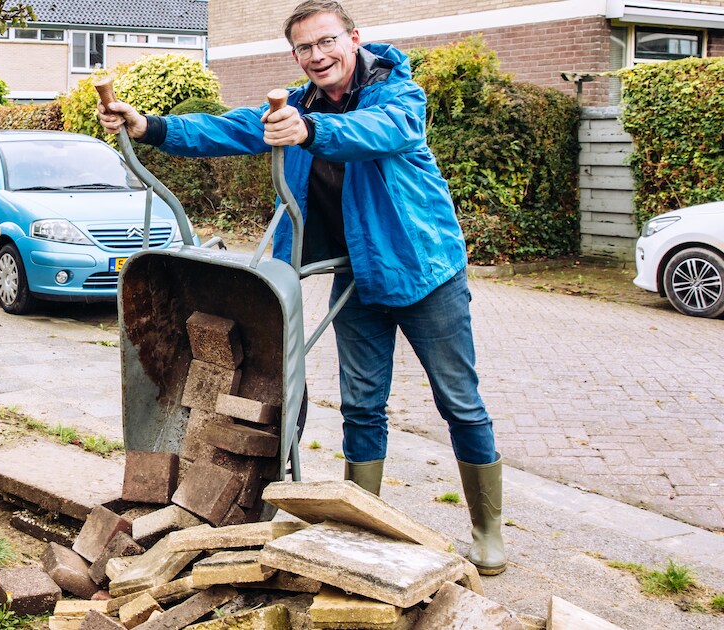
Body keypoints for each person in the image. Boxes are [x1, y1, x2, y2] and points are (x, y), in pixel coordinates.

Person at [98, 0, 506, 576]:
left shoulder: (397, 95)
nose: (317, 55)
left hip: (424, 272)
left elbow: (381, 131)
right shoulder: (298, 104)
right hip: (356, 274)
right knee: (363, 407)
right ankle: (359, 524)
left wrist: (310, 130)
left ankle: (488, 533)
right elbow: (235, 126)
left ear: (354, 38)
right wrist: (152, 127)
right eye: (304, 48)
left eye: (326, 42)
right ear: (295, 55)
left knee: (459, 403)